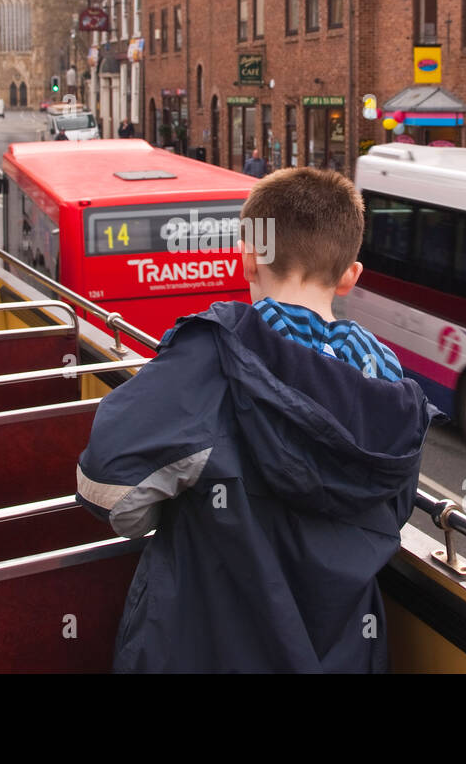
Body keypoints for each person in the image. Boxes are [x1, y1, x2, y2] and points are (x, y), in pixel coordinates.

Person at [76, 168, 440, 672]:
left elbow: (107, 487)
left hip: (203, 648)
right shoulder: (392, 390)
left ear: (248, 257)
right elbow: (390, 514)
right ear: (350, 276)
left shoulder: (210, 358)